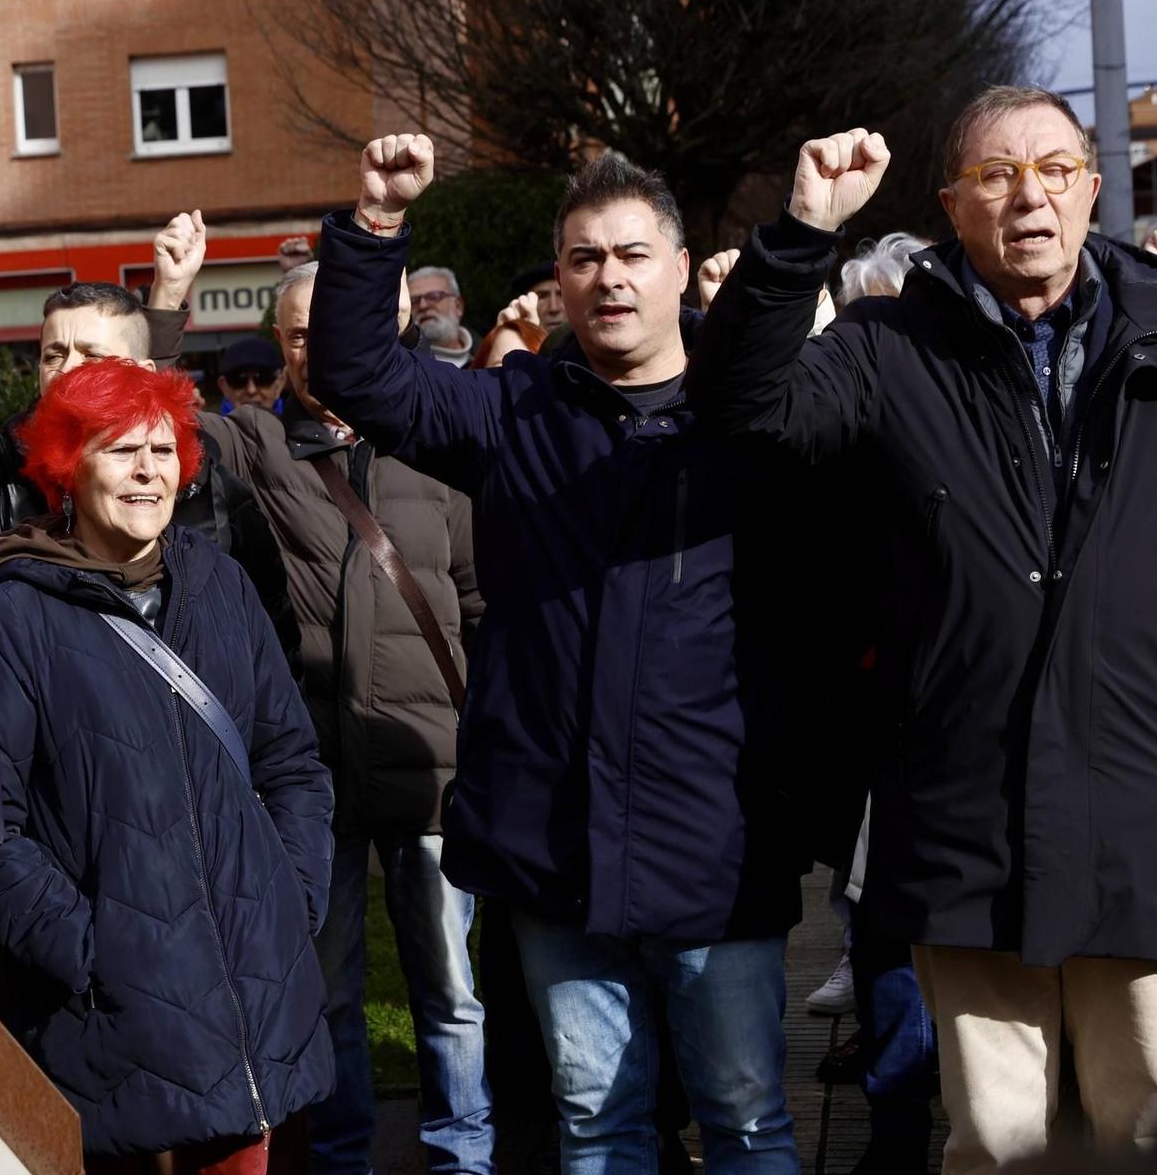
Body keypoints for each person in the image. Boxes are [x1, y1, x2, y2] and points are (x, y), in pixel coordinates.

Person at [687, 87, 1157, 1172]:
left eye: (1052, 171)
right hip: (960, 818)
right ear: (949, 204)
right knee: (993, 1141)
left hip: (1146, 812)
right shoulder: (889, 346)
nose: (1026, 196)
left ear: (1089, 189)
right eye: (994, 175)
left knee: (1156, 1128)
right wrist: (798, 234)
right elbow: (741, 407)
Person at [308, 134, 803, 1174]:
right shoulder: (511, 412)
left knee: (746, 1117)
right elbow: (357, 372)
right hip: (554, 854)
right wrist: (375, 223)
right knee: (593, 1119)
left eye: (629, 254)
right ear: (556, 279)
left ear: (678, 267)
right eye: (582, 258)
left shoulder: (750, 419)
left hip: (713, 848)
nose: (607, 278)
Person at [160, 251, 492, 1173]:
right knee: (332, 989)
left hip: (431, 762)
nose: (313, 348)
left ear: (387, 326)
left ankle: (464, 1155)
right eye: (296, 332)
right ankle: (345, 1157)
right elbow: (159, 419)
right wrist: (167, 302)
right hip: (320, 771)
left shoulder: (440, 439)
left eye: (332, 326)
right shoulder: (258, 443)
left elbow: (476, 601)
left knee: (452, 990)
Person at [0, 360, 333, 1172]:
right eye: (118, 448)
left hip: (254, 1000)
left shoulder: (221, 585)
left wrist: (291, 898)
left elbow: (293, 761)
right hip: (117, 1025)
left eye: (162, 450)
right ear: (67, 462)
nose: (146, 470)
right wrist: (96, 952)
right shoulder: (14, 616)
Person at [0, 218, 300, 674]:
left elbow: (272, 648)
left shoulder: (206, 486)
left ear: (142, 370)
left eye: (92, 355)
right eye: (53, 355)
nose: (67, 370)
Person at [407, 266, 474, 366]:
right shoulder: (398, 368)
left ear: (458, 306)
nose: (423, 306)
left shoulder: (490, 359)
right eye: (414, 301)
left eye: (434, 296)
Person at [217, 335, 286, 412]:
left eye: (263, 378)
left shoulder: (297, 422)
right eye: (239, 380)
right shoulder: (206, 423)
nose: (251, 390)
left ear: (279, 385)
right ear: (224, 387)